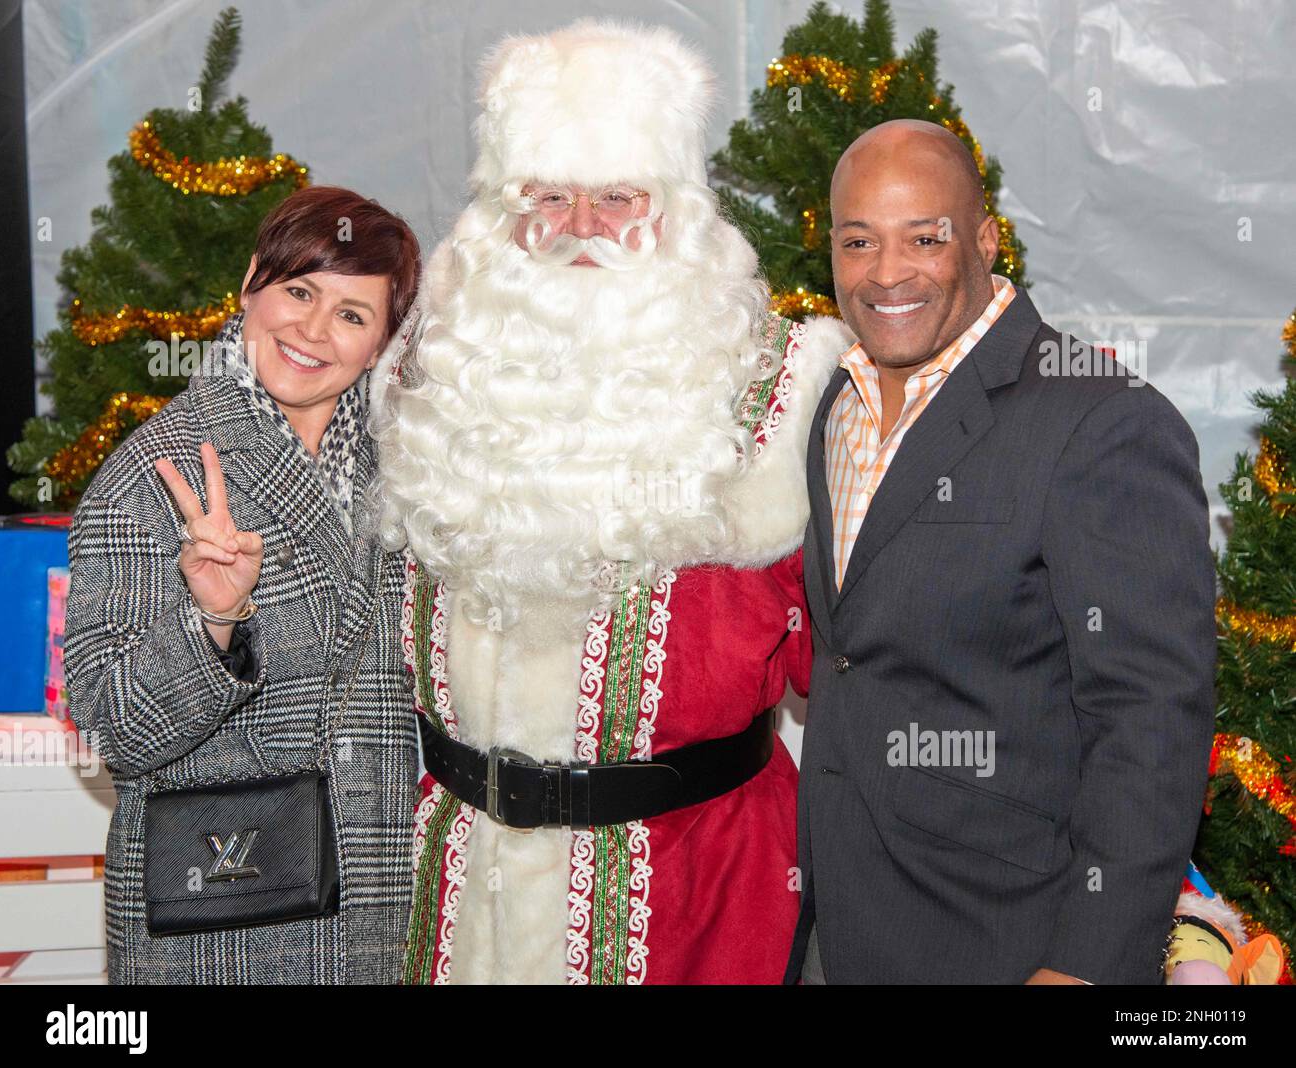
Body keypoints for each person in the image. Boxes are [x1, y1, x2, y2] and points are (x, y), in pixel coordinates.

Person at [373, 19, 852, 984]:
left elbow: (867, 669)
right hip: (462, 897)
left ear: (676, 210)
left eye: (618, 197)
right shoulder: (429, 377)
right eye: (548, 196)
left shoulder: (786, 388)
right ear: (503, 213)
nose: (582, 227)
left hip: (700, 897)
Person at [787, 119, 1216, 984]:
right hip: (835, 923)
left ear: (984, 238)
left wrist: (1087, 965)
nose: (886, 272)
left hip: (1005, 942)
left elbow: (1151, 723)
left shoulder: (1100, 420)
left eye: (925, 237)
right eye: (858, 240)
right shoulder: (834, 400)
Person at [65, 185, 422, 983]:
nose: (314, 331)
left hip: (391, 914)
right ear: (252, 281)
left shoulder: (409, 475)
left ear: (381, 345)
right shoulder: (153, 475)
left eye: (353, 315)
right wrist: (211, 621)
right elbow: (110, 730)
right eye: (299, 291)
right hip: (225, 927)